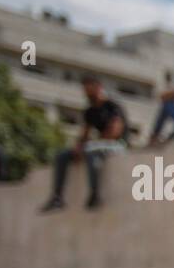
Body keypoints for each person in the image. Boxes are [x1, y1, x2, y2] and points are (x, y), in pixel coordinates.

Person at [41, 75, 128, 213]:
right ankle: (57, 197)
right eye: (85, 91)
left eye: (89, 91)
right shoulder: (90, 111)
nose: (87, 94)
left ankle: (95, 195)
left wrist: (89, 145)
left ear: (98, 88)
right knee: (62, 156)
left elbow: (115, 132)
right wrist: (78, 147)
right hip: (99, 145)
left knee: (90, 151)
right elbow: (84, 135)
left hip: (118, 145)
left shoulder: (112, 106)